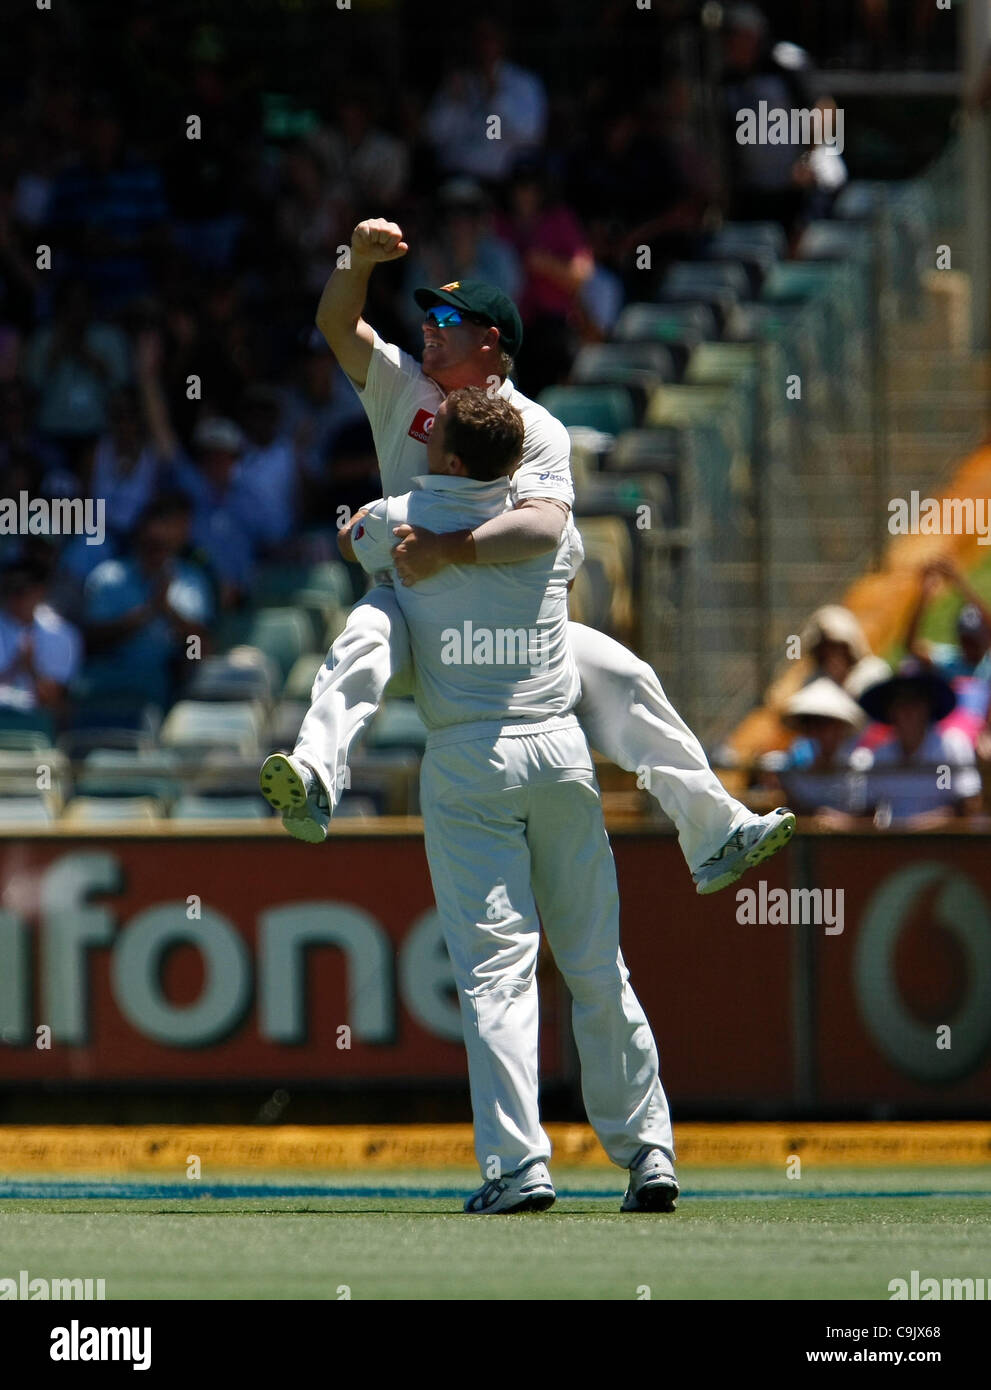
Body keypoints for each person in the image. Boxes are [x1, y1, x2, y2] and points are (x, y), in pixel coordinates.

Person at [273, 217, 795, 894]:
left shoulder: (533, 427)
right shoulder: (402, 385)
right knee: (365, 634)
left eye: (448, 320)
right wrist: (358, 263)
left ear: (490, 342)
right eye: (427, 313)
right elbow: (337, 324)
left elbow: (544, 526)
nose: (428, 326)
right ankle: (315, 775)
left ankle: (715, 829)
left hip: (507, 634)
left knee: (626, 676)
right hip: (412, 610)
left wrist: (448, 549)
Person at [263, 387, 678, 1215]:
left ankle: (519, 1167)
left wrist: (394, 546)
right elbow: (544, 529)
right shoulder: (542, 522)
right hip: (559, 751)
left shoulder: (399, 515)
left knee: (497, 975)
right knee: (599, 968)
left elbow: (354, 542)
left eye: (434, 435)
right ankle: (649, 1155)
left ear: (450, 458)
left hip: (468, 756)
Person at [80, 494, 213, 710]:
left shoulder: (190, 579)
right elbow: (91, 641)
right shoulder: (107, 577)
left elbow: (199, 642)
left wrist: (169, 611)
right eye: (150, 546)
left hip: (165, 675)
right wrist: (148, 612)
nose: (156, 554)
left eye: (162, 546)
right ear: (137, 541)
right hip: (111, 669)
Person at [853, 661, 982, 828]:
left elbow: (968, 805)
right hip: (893, 847)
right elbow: (868, 813)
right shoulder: (879, 756)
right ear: (890, 711)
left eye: (915, 703)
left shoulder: (951, 748)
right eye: (900, 704)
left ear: (928, 708)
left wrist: (923, 825)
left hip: (943, 847)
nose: (908, 711)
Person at [0, 559, 81, 722]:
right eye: (9, 589)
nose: (15, 597)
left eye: (22, 590)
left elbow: (53, 702)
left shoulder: (62, 634)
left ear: (40, 591)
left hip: (37, 724)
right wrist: (16, 665)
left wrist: (31, 668)